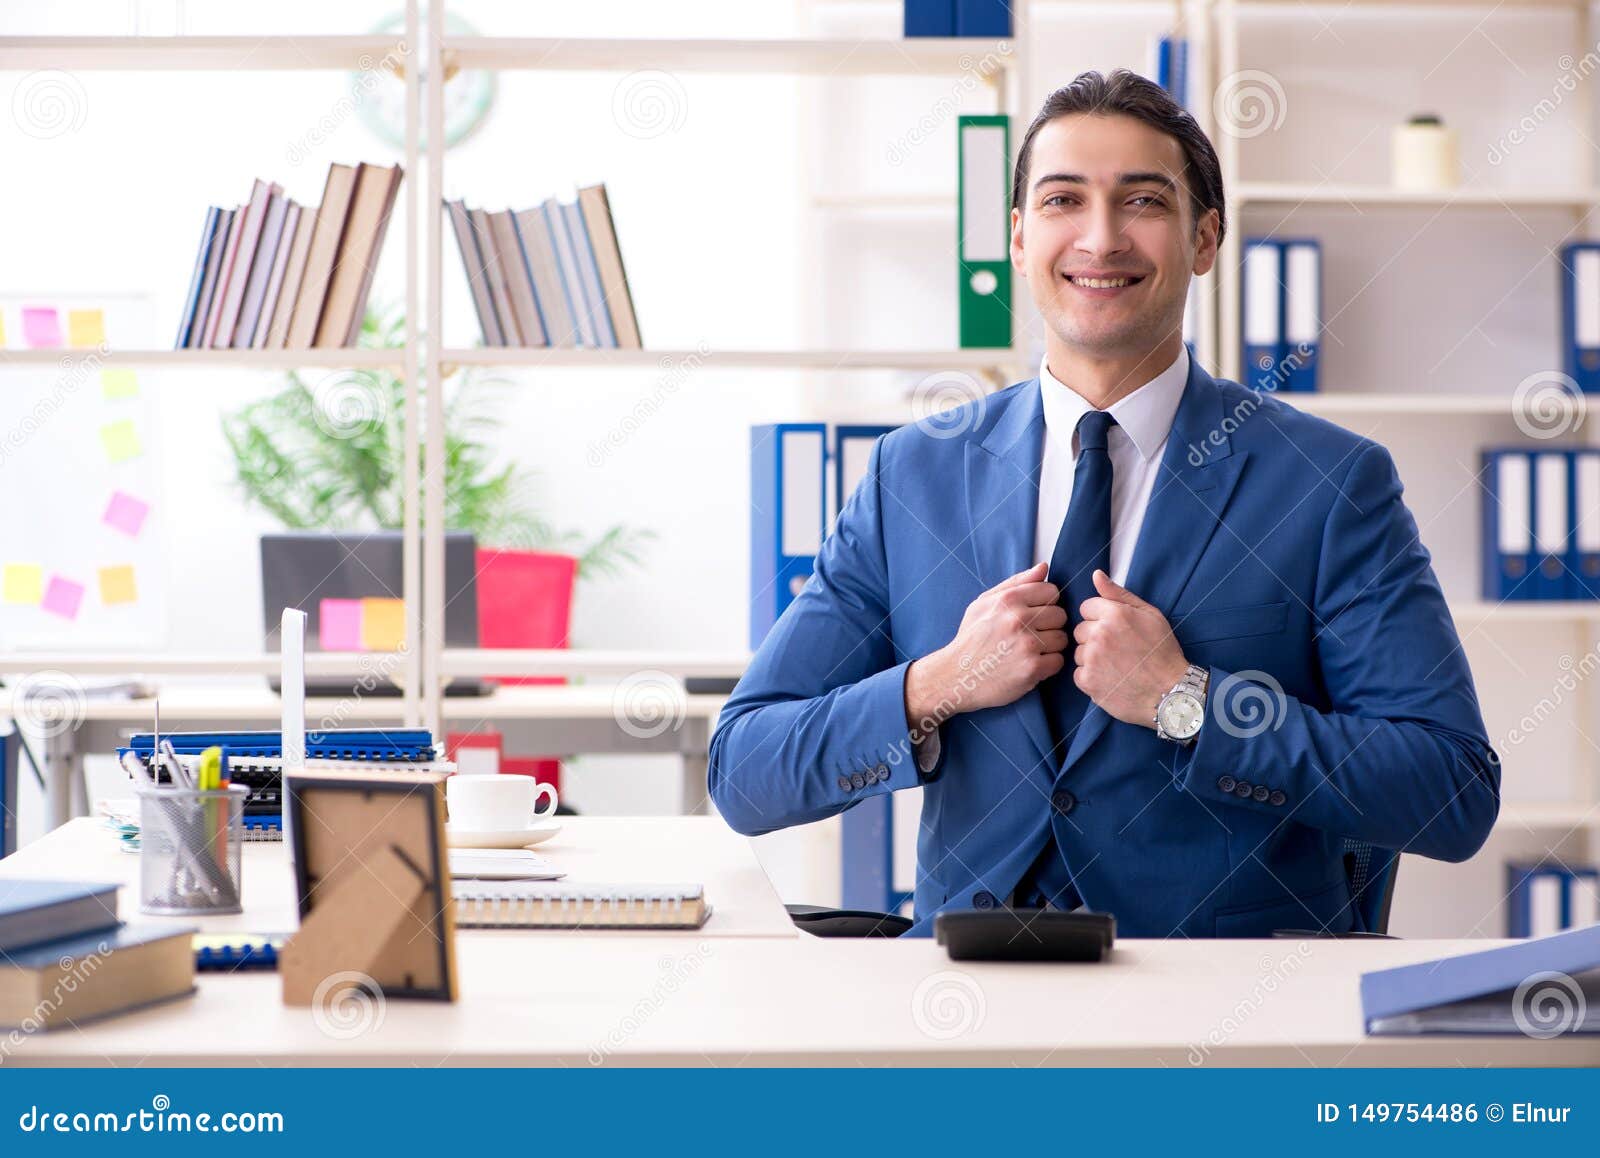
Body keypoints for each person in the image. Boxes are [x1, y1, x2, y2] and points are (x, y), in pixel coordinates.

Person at [707, 69, 1499, 937]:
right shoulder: (912, 475)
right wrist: (939, 683)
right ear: (1017, 238)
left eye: (1143, 201)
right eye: (1062, 200)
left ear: (1204, 238)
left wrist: (1188, 702)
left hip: (1218, 1016)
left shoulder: (1328, 482)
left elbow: (1450, 791)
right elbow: (745, 771)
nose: (1100, 236)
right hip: (969, 1006)